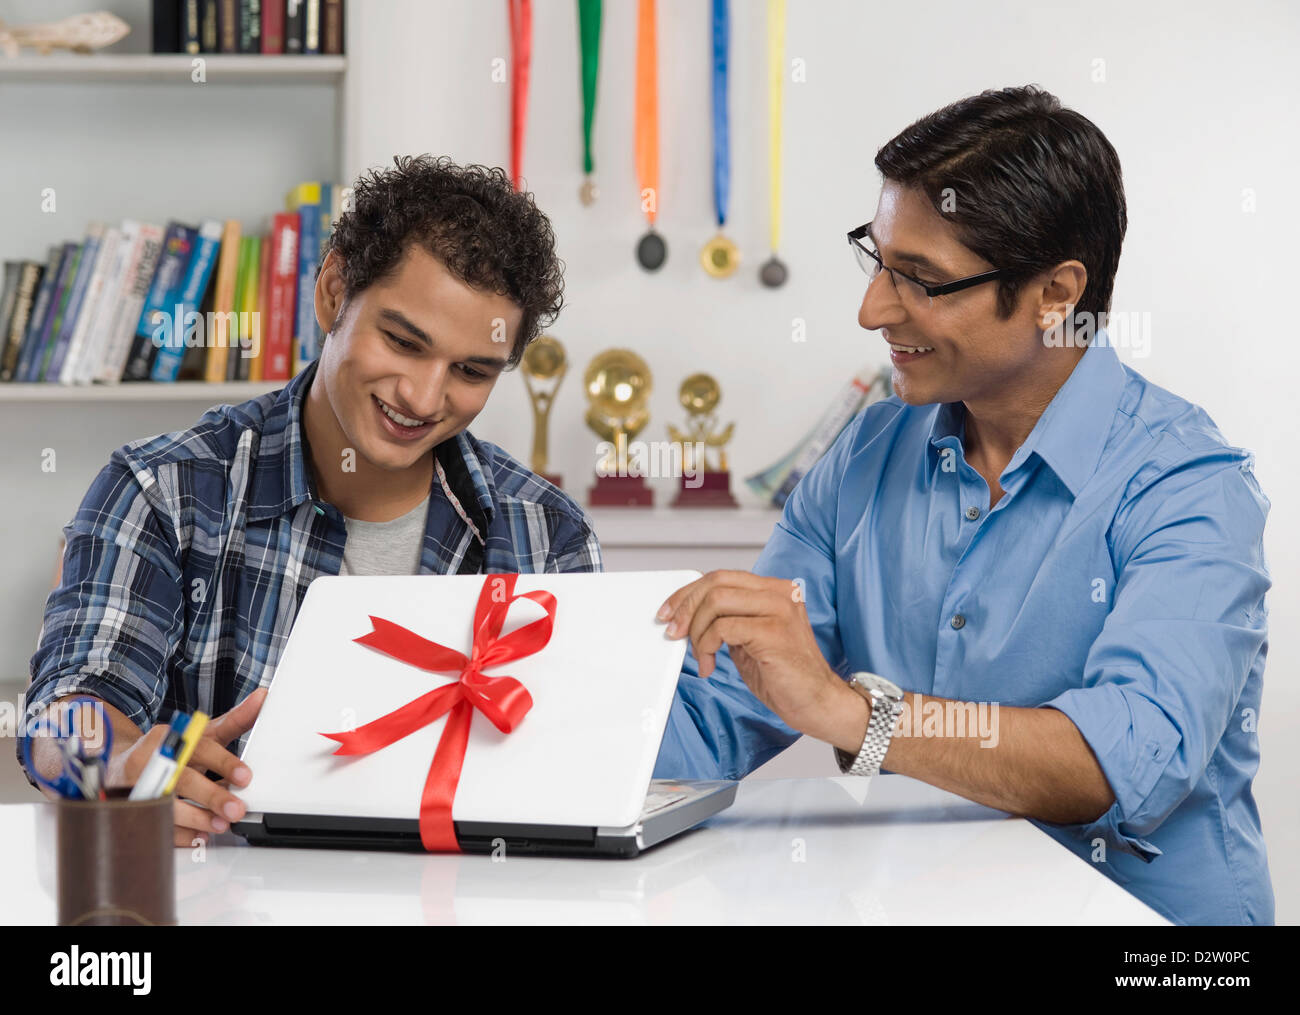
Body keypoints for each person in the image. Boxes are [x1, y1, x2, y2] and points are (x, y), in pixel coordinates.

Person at [652, 85, 1272, 926]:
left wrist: (852, 712)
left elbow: (1127, 758)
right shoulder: (867, 455)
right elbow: (730, 705)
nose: (872, 309)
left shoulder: (1188, 483)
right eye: (878, 260)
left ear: (1057, 294)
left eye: (922, 280)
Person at [21, 155, 601, 845]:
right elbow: (59, 725)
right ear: (332, 290)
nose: (421, 397)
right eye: (402, 341)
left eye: (470, 371)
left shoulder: (549, 537)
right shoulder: (162, 491)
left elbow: (571, 773)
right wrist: (117, 765)